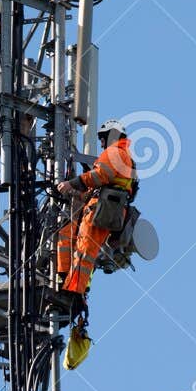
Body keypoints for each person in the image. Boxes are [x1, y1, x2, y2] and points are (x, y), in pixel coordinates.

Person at [56, 120, 138, 323]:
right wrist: (75, 192)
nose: (101, 144)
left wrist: (70, 183)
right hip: (104, 207)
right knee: (67, 235)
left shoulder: (116, 152)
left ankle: (73, 293)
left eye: (103, 139)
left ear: (111, 135)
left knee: (84, 251)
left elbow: (101, 175)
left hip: (101, 210)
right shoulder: (123, 156)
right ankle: (65, 280)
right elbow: (100, 186)